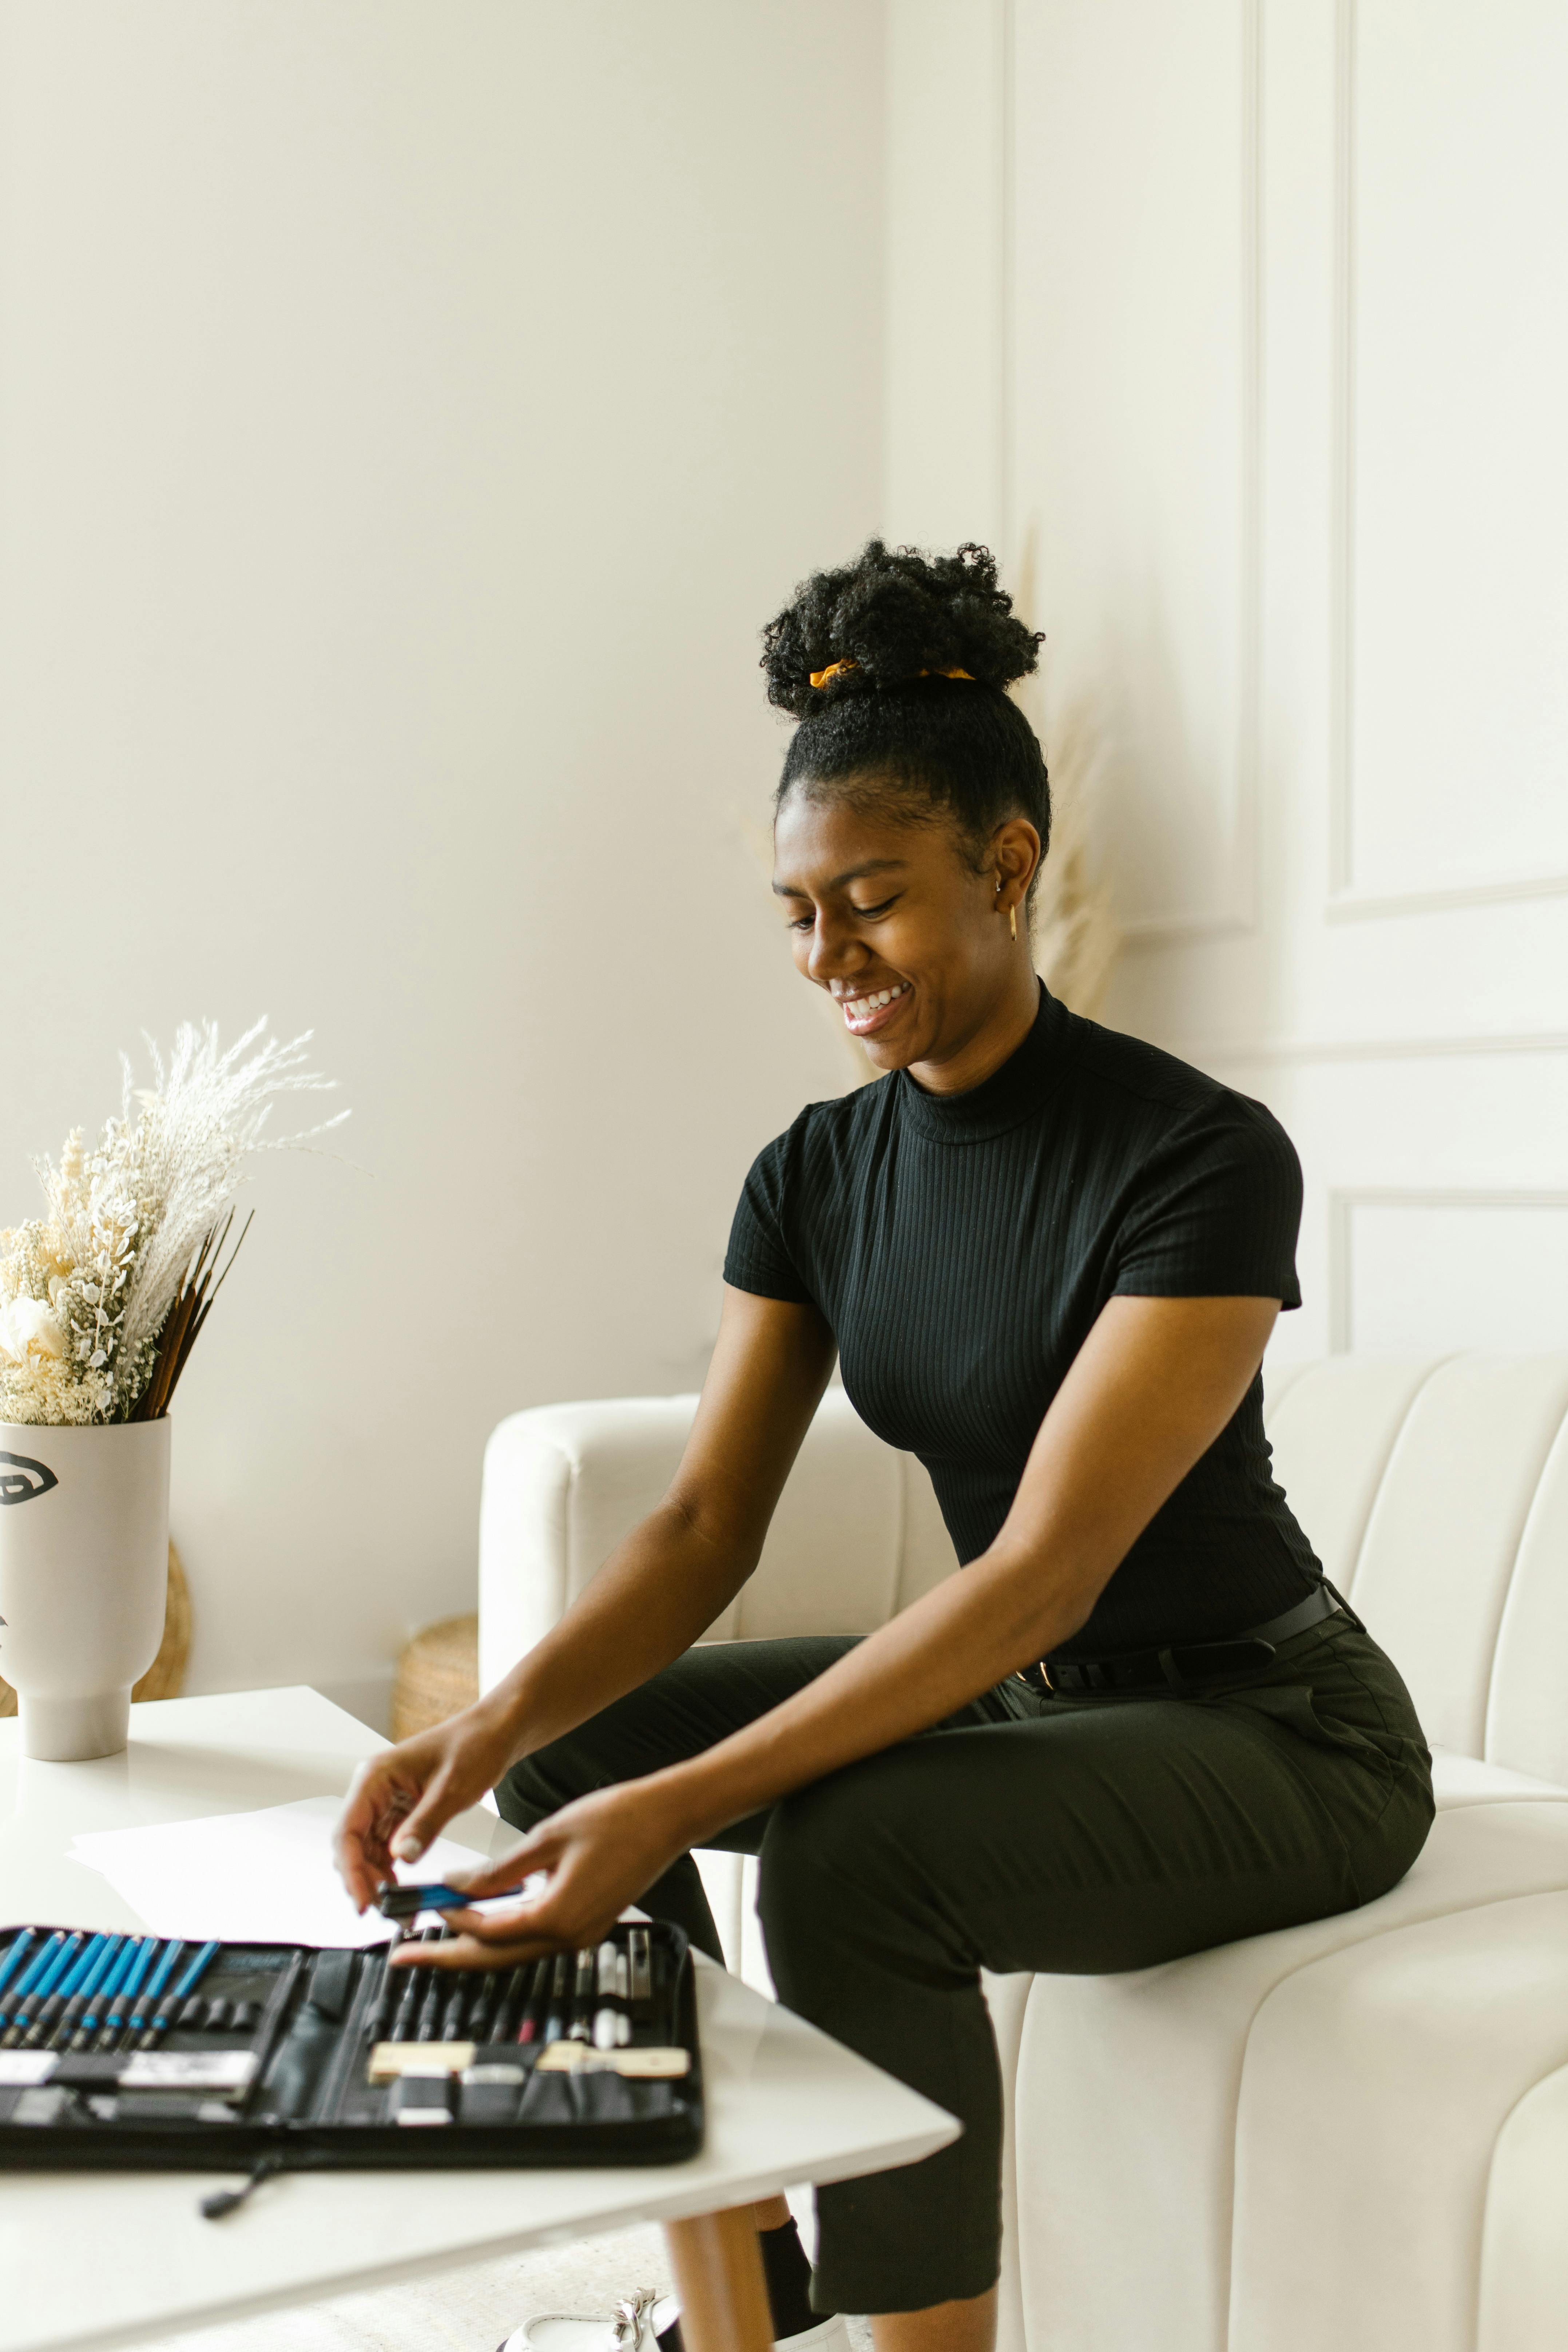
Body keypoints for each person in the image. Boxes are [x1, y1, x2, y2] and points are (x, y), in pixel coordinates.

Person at [335, 542, 1434, 2352]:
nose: (826, 956)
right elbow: (702, 1522)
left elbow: (1045, 1570)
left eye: (871, 900)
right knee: (573, 1746)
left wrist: (677, 1809)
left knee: (855, 1854)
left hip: (1277, 1725)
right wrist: (493, 1724)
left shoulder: (1198, 1154)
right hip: (1038, 1697)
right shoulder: (815, 1172)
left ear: (1005, 868)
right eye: (796, 911)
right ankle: (754, 2263)